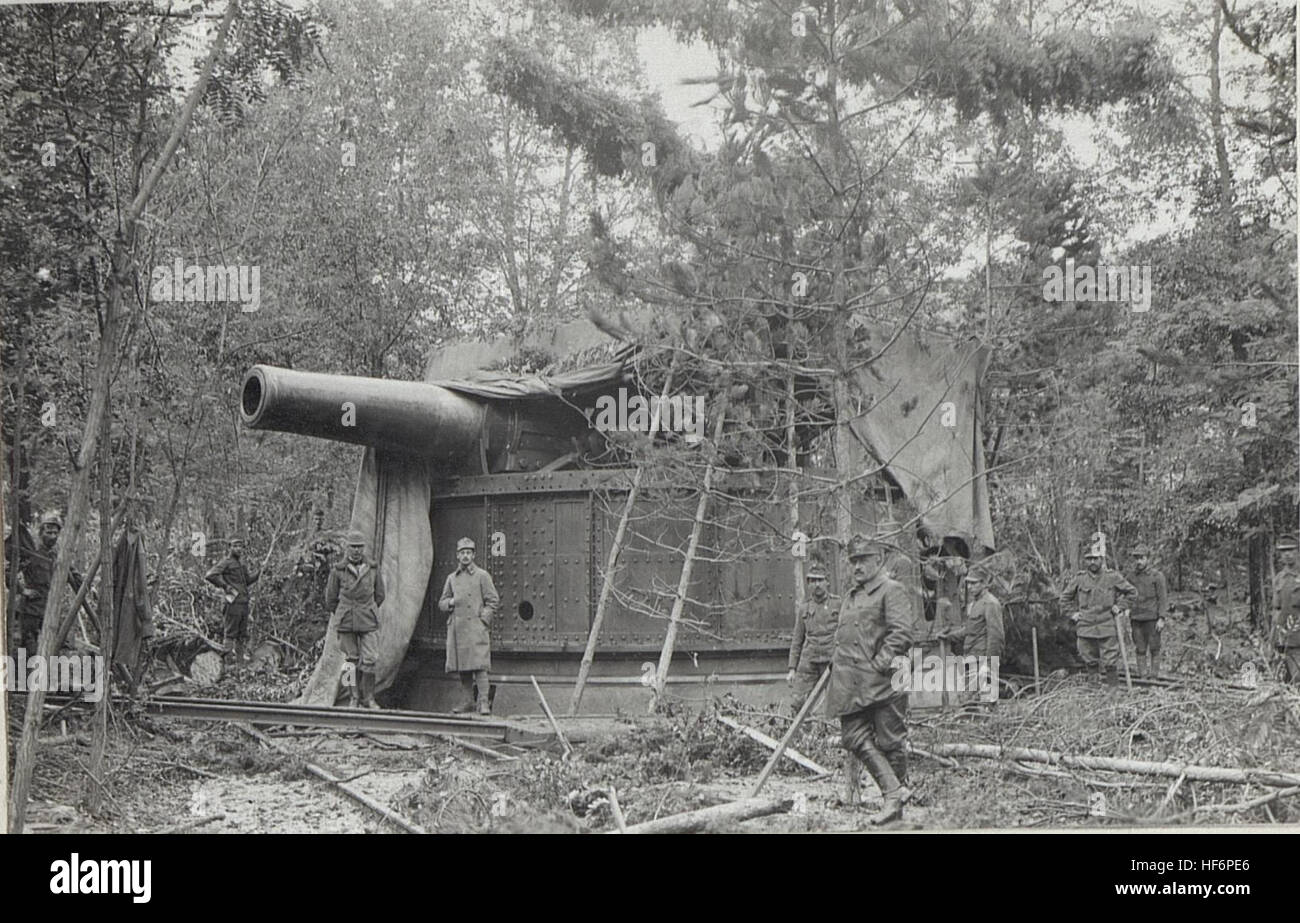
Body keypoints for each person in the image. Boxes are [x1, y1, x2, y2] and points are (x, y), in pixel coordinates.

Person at [826, 532, 914, 825]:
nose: (857, 566)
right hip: (852, 683)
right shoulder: (853, 594)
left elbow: (901, 632)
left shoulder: (891, 590)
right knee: (852, 735)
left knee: (891, 742)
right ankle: (894, 793)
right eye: (853, 561)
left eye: (863, 560)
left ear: (878, 560)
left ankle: (895, 810)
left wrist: (880, 664)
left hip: (884, 681)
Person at [325, 530, 386, 709]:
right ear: (347, 548)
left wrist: (367, 608)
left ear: (364, 548)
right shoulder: (338, 570)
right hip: (346, 620)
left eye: (359, 547)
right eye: (353, 546)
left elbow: (380, 595)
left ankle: (369, 698)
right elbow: (330, 599)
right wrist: (344, 611)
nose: (356, 551)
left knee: (370, 660)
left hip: (368, 618)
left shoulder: (373, 568)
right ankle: (353, 697)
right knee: (349, 660)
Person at [439, 537, 500, 714]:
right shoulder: (452, 578)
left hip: (476, 628)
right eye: (462, 553)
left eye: (468, 553)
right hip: (458, 630)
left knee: (480, 667)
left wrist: (483, 620)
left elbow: (493, 600)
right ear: (458, 556)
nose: (465, 556)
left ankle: (483, 703)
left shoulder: (482, 576)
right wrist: (450, 602)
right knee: (463, 668)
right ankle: (468, 702)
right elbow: (442, 602)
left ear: (473, 555)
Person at [1060, 546, 1136, 685]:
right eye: (1089, 559)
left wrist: (1119, 607)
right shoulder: (1080, 579)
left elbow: (1132, 592)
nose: (1092, 562)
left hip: (1106, 625)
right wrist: (1073, 614)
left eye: (1095, 558)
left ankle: (1113, 691)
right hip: (1086, 626)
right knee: (1088, 658)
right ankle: (1093, 688)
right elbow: (1064, 598)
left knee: (1110, 660)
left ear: (1102, 559)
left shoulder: (1112, 577)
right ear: (1085, 561)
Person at [14, 511, 75, 652]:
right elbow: (8, 572)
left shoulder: (57, 555)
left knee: (59, 645)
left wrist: (87, 587)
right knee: (29, 649)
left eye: (55, 533)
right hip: (32, 610)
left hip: (50, 608)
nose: (53, 537)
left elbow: (74, 573)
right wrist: (23, 590)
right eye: (49, 532)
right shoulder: (31, 552)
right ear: (41, 532)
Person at [786, 564, 839, 705]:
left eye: (820, 580)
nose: (817, 585)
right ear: (808, 584)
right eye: (812, 581)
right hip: (809, 661)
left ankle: (829, 727)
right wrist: (792, 668)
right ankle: (806, 727)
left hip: (832, 660)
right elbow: (797, 640)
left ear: (827, 582)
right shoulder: (804, 608)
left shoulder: (838, 604)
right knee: (798, 700)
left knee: (838, 702)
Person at [204, 537, 261, 663]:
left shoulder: (241, 564)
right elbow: (210, 575)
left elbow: (246, 582)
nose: (238, 548)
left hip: (243, 603)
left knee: (241, 635)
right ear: (230, 547)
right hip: (232, 603)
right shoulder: (226, 562)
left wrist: (259, 573)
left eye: (240, 546)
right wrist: (225, 586)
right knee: (230, 634)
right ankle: (227, 664)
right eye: (235, 546)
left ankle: (240, 665)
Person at [1125, 544, 1167, 679]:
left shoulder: (1157, 576)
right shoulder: (1131, 577)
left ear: (1147, 559)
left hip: (1152, 619)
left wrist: (1161, 618)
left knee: (1155, 648)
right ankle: (1143, 677)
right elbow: (1125, 594)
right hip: (1136, 619)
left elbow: (1162, 598)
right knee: (1140, 648)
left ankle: (1154, 677)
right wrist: (1126, 608)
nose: (1139, 561)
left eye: (1141, 558)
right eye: (1136, 558)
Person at [1271, 534, 1300, 683]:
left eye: (1291, 550)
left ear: (1298, 551)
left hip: (1298, 638)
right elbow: (1276, 609)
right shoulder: (1279, 578)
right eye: (1283, 551)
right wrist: (1273, 638)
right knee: (1283, 681)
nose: (1287, 554)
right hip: (1283, 638)